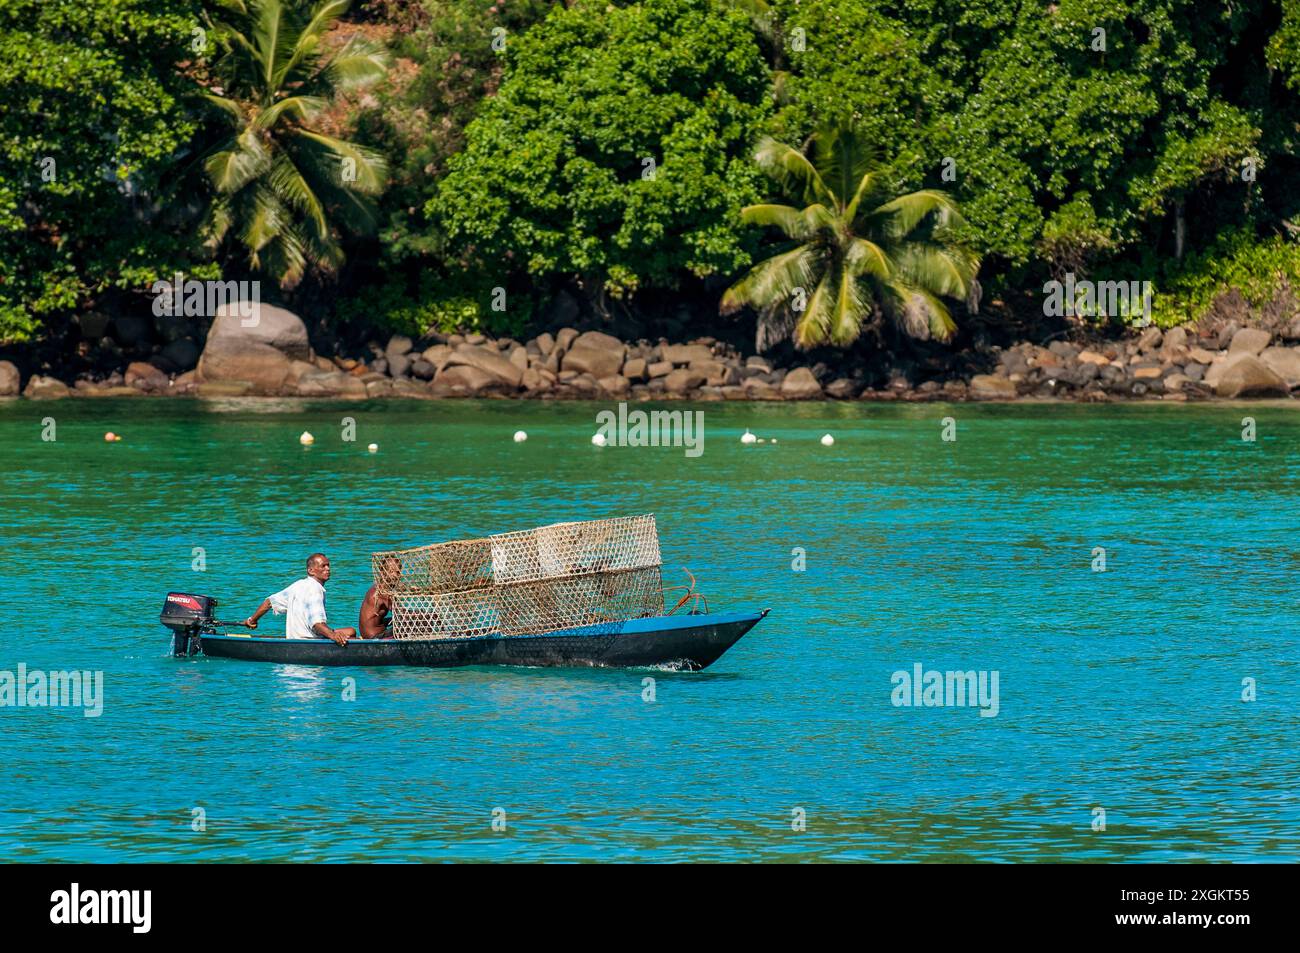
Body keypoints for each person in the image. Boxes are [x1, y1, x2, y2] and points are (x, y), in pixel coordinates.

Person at [245, 553, 356, 646]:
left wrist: (252, 620)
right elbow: (317, 624)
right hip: (307, 642)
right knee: (351, 637)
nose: (328, 569)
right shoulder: (315, 589)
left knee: (351, 631)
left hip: (294, 639)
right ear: (311, 571)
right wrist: (333, 635)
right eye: (323, 566)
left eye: (328, 565)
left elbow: (269, 602)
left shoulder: (298, 585)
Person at [358, 555, 400, 639]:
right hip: (374, 636)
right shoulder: (383, 592)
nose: (395, 575)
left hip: (372, 633)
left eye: (398, 572)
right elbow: (401, 614)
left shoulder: (378, 587)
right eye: (391, 571)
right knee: (411, 624)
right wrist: (428, 616)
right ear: (382, 572)